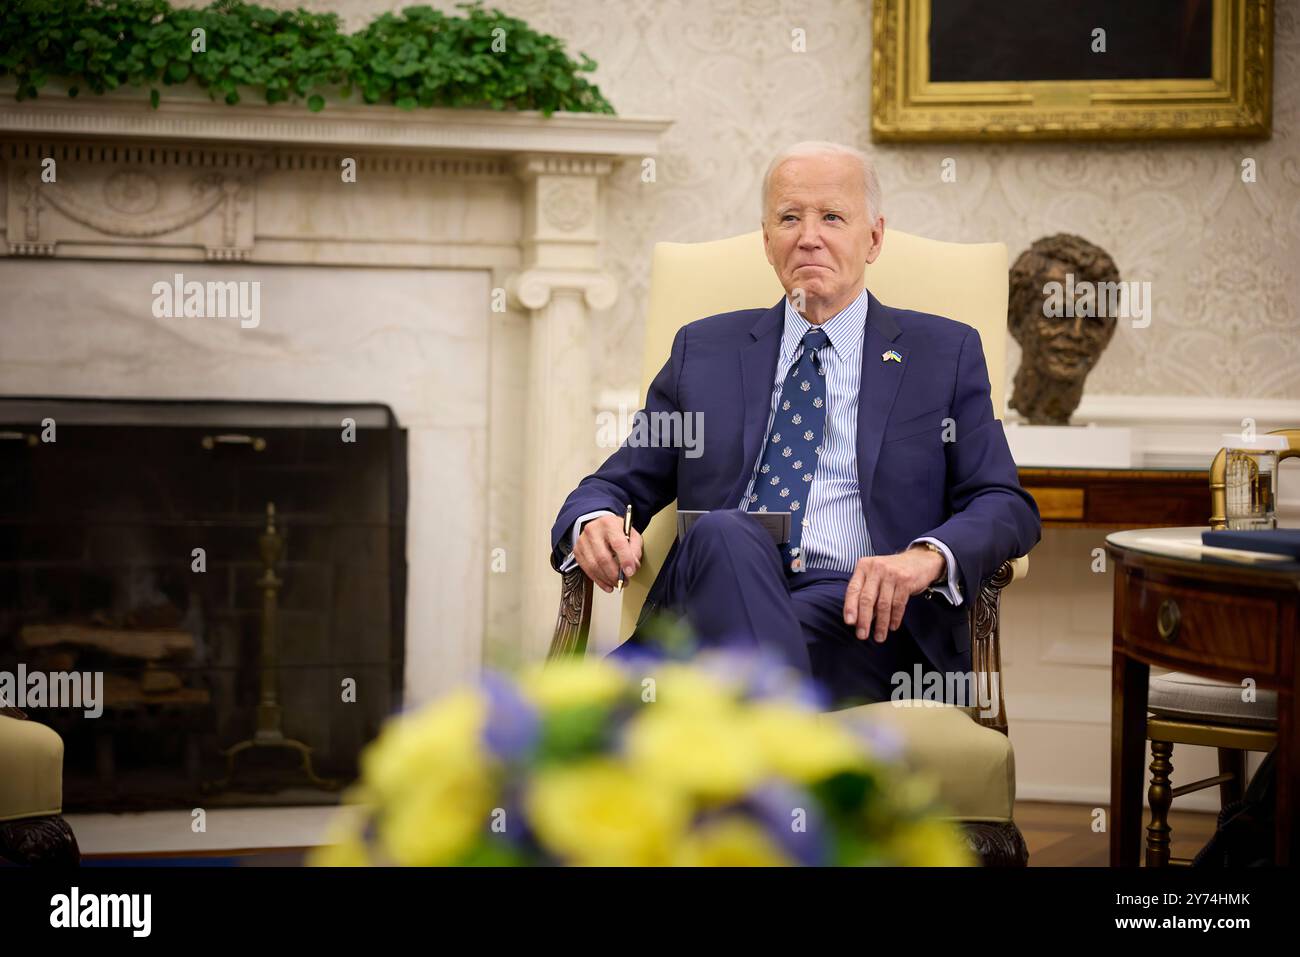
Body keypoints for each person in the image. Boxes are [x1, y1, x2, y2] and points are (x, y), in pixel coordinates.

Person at [550, 141, 1040, 708]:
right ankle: (782, 755)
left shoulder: (942, 353)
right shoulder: (704, 350)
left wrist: (923, 558)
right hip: (708, 588)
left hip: (857, 615)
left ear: (874, 237)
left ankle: (672, 701)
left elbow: (1004, 503)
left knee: (569, 717)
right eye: (789, 218)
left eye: (832, 216)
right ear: (767, 241)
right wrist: (594, 520)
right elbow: (616, 481)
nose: (809, 236)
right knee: (726, 530)